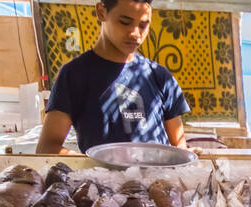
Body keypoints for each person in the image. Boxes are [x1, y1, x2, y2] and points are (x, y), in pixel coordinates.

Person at [36, 0, 189, 155]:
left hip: (158, 179)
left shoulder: (160, 76)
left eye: (143, 26)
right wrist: (95, 165)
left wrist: (187, 154)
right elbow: (47, 148)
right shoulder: (74, 75)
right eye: (125, 22)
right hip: (100, 179)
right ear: (101, 12)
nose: (135, 33)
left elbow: (179, 145)